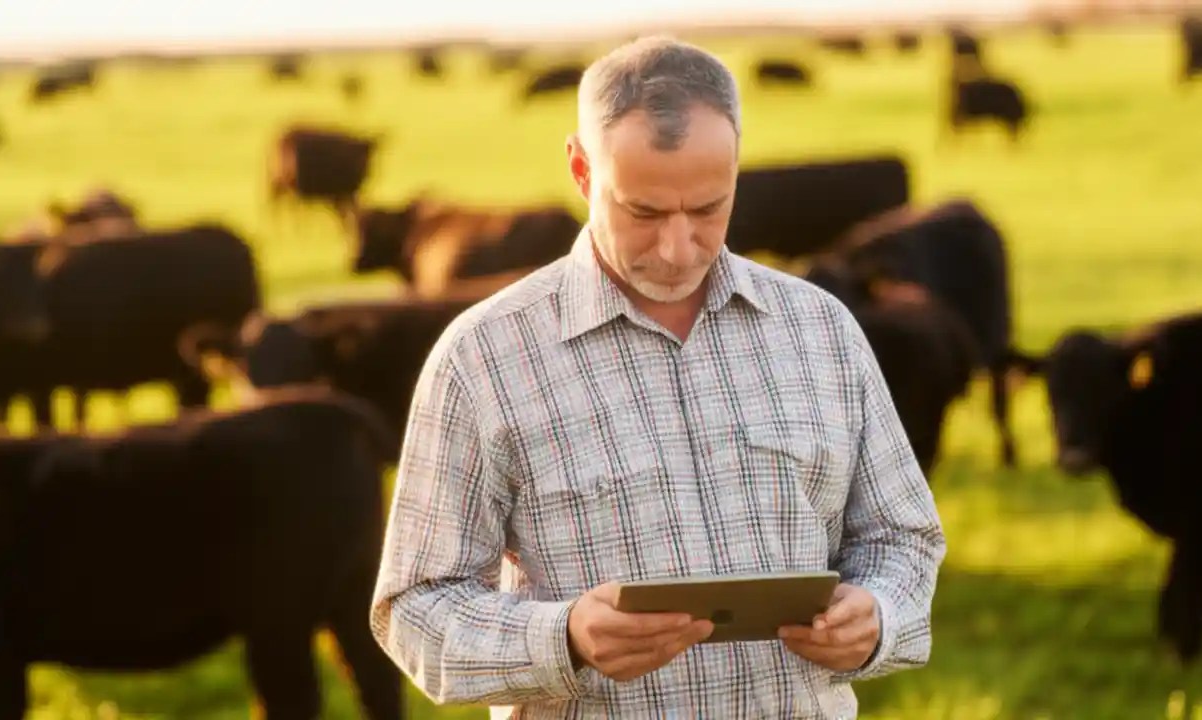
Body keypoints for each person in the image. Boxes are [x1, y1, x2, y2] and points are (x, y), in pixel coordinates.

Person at [370, 35, 946, 719]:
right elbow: (415, 611)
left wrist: (877, 615)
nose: (678, 249)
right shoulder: (481, 359)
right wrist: (562, 638)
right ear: (582, 171)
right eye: (642, 212)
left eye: (708, 208)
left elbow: (902, 538)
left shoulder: (821, 329)